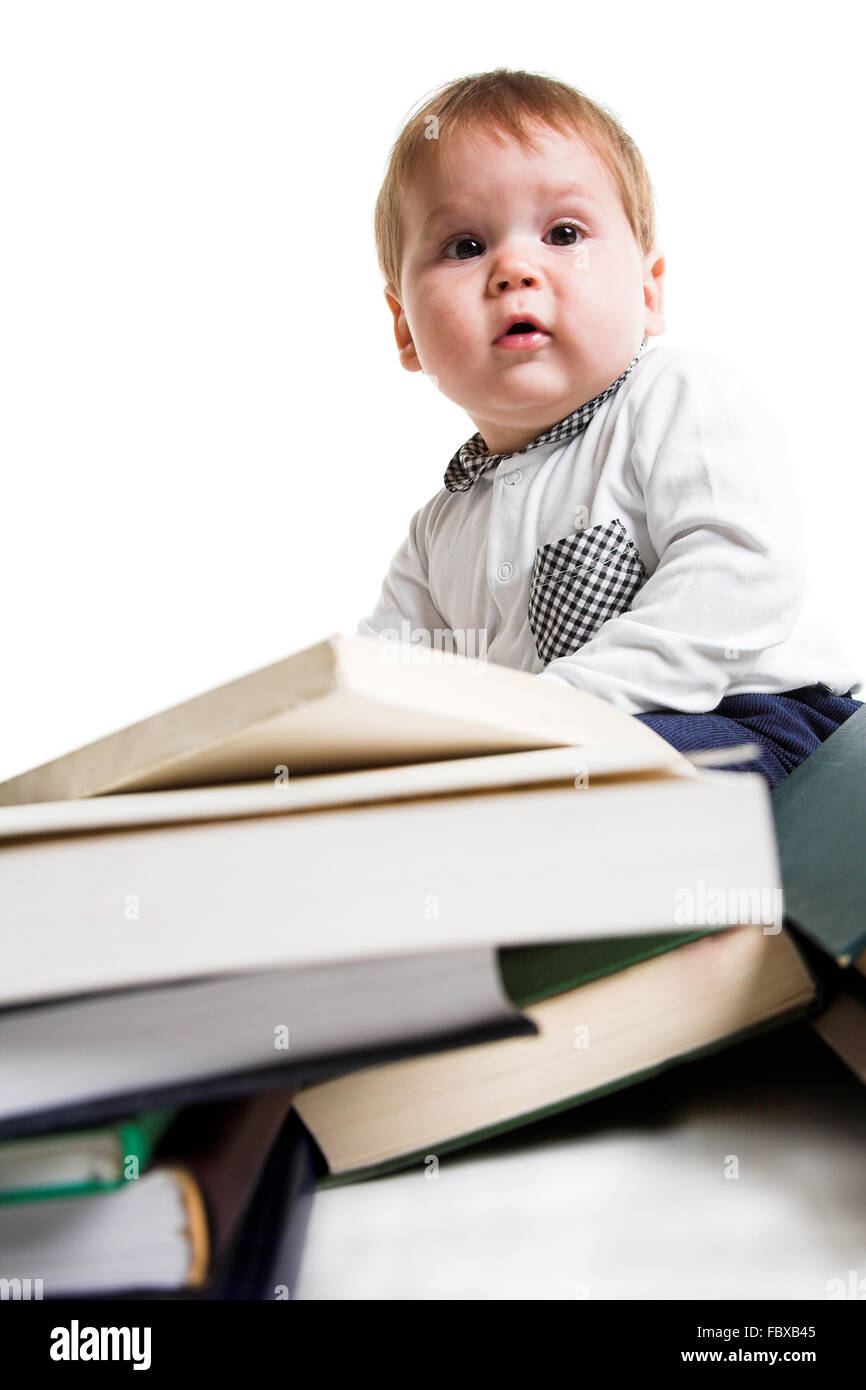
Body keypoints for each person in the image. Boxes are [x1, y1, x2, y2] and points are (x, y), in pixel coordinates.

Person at [357, 67, 862, 788]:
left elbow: (740, 577)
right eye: (465, 247)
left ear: (649, 290)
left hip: (760, 719)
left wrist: (560, 710)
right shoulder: (439, 533)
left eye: (564, 233)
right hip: (562, 760)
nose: (514, 268)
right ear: (405, 330)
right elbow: (383, 687)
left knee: (600, 792)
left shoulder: (674, 398)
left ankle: (722, 887)